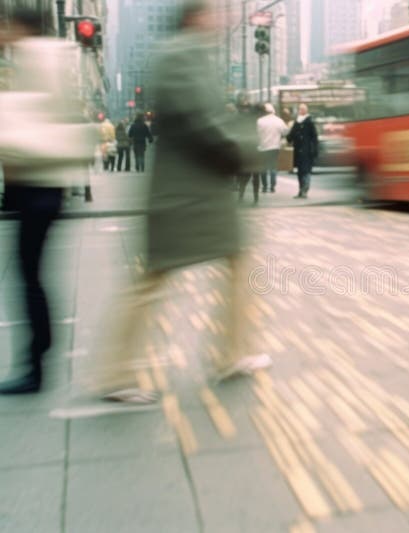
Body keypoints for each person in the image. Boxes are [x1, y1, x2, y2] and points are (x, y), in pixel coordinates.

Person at [84, 0, 271, 405]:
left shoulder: (182, 53)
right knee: (156, 277)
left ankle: (231, 353)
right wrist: (240, 149)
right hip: (188, 193)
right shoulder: (182, 54)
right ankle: (116, 373)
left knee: (225, 263)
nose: (221, 20)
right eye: (213, 14)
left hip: (192, 192)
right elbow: (201, 120)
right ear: (195, 18)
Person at [0, 8, 93, 394]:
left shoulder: (37, 57)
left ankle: (36, 363)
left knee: (30, 277)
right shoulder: (44, 56)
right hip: (41, 184)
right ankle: (36, 357)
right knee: (30, 275)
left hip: (39, 183)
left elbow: (41, 118)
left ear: (20, 27)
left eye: (6, 27)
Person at [286, 103, 318, 198]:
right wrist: (287, 138)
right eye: (299, 109)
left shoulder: (309, 121)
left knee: (306, 171)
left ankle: (305, 190)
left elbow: (314, 137)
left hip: (307, 151)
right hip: (298, 150)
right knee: (300, 172)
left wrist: (314, 150)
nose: (300, 110)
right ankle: (301, 191)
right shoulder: (297, 121)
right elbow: (291, 135)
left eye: (302, 109)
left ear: (306, 110)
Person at [257, 102, 288, 193]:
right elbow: (285, 132)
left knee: (263, 168)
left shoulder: (259, 121)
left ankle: (264, 187)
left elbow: (256, 133)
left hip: (262, 147)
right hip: (274, 147)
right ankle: (272, 187)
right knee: (273, 167)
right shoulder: (278, 120)